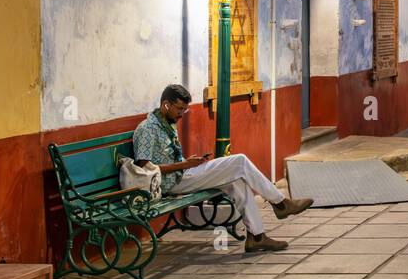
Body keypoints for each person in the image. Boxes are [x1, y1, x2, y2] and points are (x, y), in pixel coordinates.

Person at [133, 84, 312, 253]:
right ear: (166, 104)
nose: (181, 114)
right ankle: (280, 203)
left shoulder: (167, 124)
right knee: (240, 161)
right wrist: (184, 165)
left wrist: (187, 162)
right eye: (179, 109)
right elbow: (145, 169)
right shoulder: (147, 129)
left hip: (183, 175)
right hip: (170, 183)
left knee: (236, 179)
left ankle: (257, 237)